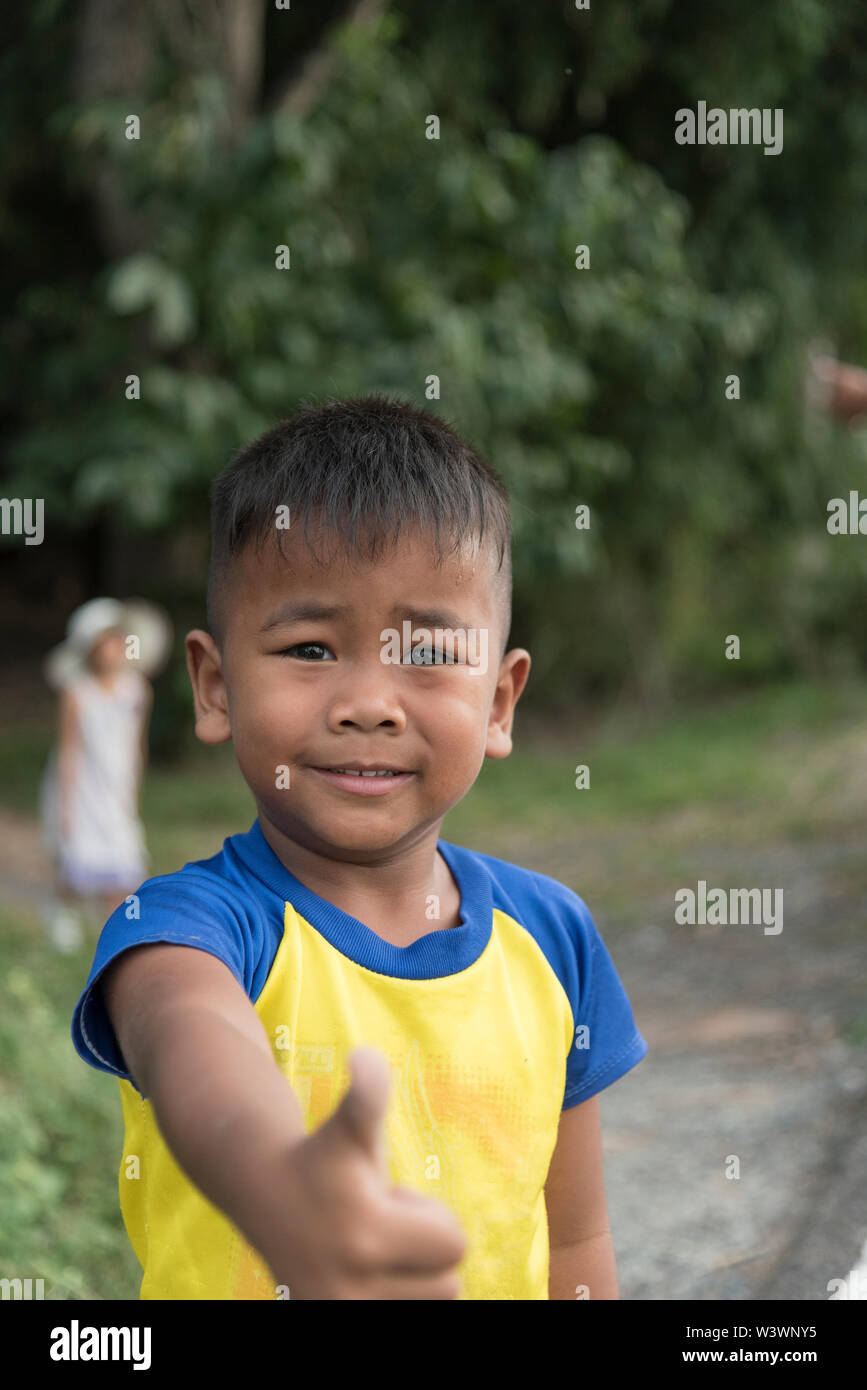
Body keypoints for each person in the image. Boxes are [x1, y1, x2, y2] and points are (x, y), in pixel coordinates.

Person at [71, 396, 648, 1301]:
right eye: (309, 648)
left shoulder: (551, 936)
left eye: (425, 648)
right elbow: (191, 1042)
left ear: (499, 702)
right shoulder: (187, 929)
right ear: (216, 688)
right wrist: (280, 1189)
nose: (368, 701)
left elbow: (575, 1243)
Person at [40, 597, 170, 950]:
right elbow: (69, 749)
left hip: (116, 786)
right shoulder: (77, 692)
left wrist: (133, 789)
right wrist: (66, 805)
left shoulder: (136, 690)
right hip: (83, 787)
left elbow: (136, 744)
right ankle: (62, 912)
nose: (113, 649)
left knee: (122, 865)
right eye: (105, 642)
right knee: (77, 860)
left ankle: (112, 933)